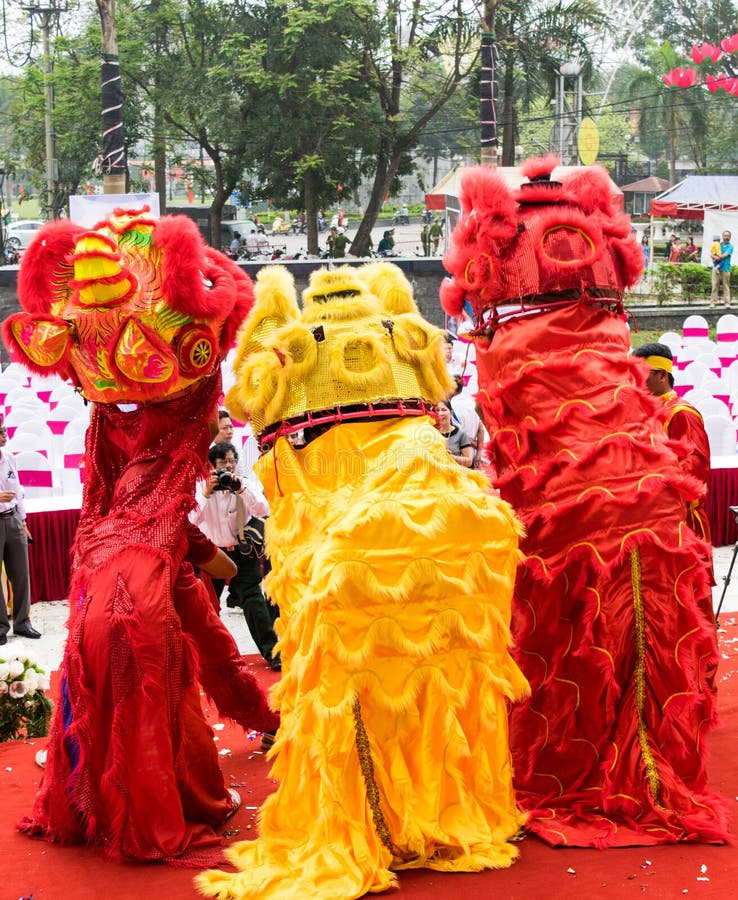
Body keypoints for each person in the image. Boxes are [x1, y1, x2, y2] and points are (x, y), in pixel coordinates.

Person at [192, 441, 281, 671]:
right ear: (211, 466)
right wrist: (206, 494)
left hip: (242, 552)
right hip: (212, 554)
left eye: (232, 462)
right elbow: (191, 520)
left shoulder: (244, 484)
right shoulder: (202, 486)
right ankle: (208, 659)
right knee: (207, 608)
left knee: (253, 600)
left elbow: (263, 509)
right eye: (223, 463)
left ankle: (272, 652)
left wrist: (242, 490)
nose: (228, 468)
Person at [632, 343, 712, 547]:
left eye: (642, 374)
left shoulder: (681, 414)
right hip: (651, 514)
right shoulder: (644, 413)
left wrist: (654, 479)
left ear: (662, 375)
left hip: (679, 518)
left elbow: (696, 464)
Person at [0, 422, 39, 644]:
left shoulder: (9, 457)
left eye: (4, 430)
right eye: (0, 433)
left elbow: (18, 489)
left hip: (13, 518)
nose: (4, 435)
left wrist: (23, 521)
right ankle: (0, 627)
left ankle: (23, 623)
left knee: (21, 574)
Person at [436, 397, 473, 466]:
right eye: (437, 410)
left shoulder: (461, 434)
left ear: (451, 413)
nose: (440, 413)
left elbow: (469, 461)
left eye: (444, 410)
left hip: (453, 475)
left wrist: (451, 457)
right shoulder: (431, 433)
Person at [710, 230, 733, 306]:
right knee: (714, 286)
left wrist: (716, 258)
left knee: (726, 286)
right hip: (716, 267)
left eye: (727, 236)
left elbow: (725, 255)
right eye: (725, 236)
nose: (726, 237)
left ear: (730, 237)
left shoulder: (730, 246)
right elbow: (712, 254)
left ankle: (727, 303)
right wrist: (713, 257)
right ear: (722, 237)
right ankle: (713, 302)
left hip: (726, 269)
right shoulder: (718, 244)